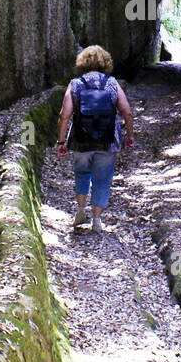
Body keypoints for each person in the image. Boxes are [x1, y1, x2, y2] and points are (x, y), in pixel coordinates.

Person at [56, 45, 134, 233]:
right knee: (103, 178)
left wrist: (61, 141)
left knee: (82, 172)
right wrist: (129, 135)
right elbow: (127, 112)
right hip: (108, 140)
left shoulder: (75, 84)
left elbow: (64, 115)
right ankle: (97, 220)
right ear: (105, 63)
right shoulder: (112, 83)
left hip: (81, 140)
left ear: (82, 62)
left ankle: (81, 210)